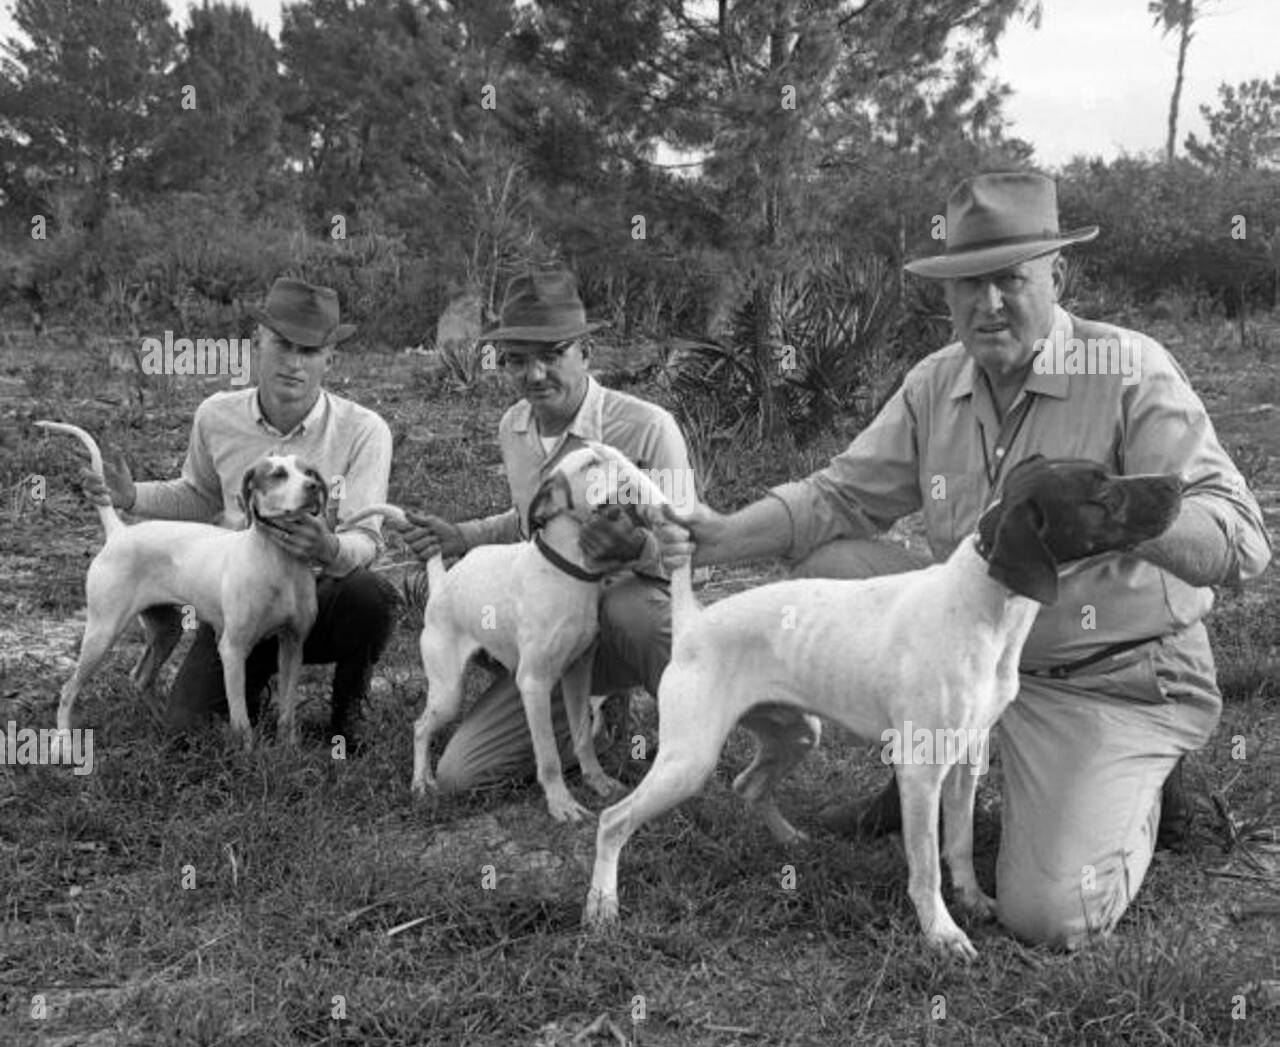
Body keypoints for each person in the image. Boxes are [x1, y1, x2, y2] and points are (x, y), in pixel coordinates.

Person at [660, 171, 1271, 948]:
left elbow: (1243, 545)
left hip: (1104, 672)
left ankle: (1143, 773)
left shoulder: (1126, 369)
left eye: (1010, 279)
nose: (988, 304)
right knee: (836, 567)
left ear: (1057, 275)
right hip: (971, 659)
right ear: (946, 295)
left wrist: (1113, 517)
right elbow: (837, 496)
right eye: (968, 283)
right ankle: (924, 755)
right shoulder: (936, 381)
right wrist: (718, 535)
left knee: (1051, 916)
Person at [402, 269, 813, 793]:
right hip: (556, 624)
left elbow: (698, 554)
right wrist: (463, 534)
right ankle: (587, 724)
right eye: (517, 359)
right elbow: (534, 523)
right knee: (461, 775)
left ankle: (739, 724)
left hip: (631, 617)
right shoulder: (515, 427)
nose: (534, 374)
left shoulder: (645, 428)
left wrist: (637, 548)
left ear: (586, 352)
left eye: (552, 354)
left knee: (625, 606)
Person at [81, 277, 397, 752]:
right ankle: (253, 686)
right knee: (188, 734)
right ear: (257, 344)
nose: (293, 362)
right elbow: (197, 495)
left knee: (369, 595)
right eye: (282, 345)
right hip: (239, 597)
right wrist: (130, 498)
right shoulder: (217, 415)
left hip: (320, 595)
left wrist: (329, 547)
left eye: (310, 351)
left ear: (330, 358)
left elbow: (367, 538)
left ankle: (347, 718)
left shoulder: (364, 430)